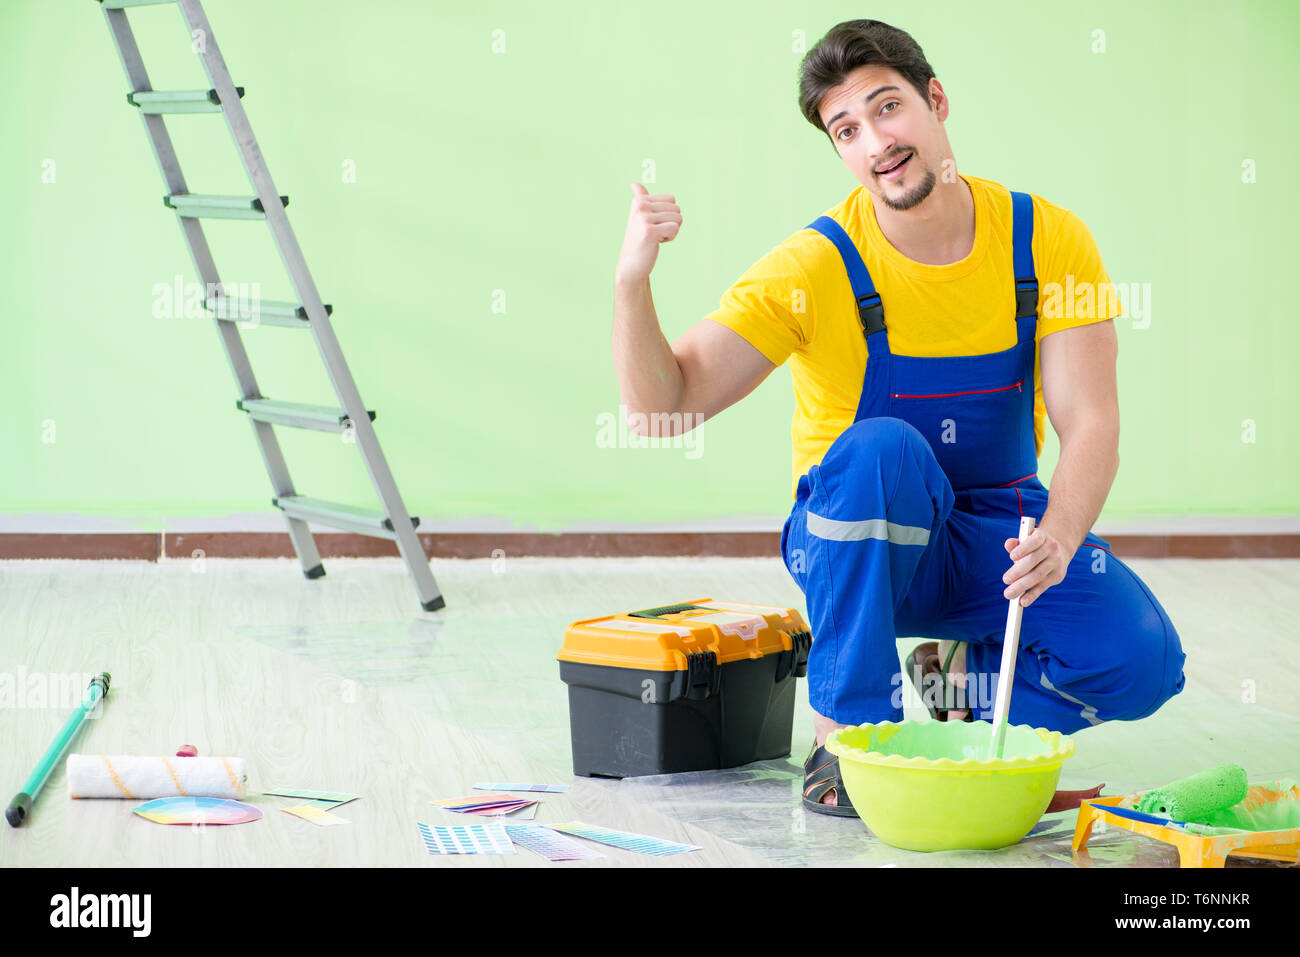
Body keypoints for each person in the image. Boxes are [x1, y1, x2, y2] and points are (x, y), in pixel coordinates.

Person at [611, 19, 1185, 817]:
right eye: (847, 129)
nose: (875, 140)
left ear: (936, 101)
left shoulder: (1049, 239)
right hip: (861, 548)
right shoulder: (815, 265)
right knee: (882, 451)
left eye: (888, 108)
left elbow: (1092, 421)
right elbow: (661, 408)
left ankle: (972, 712)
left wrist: (1058, 536)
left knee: (1143, 656)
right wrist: (633, 281)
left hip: (1002, 538)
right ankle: (849, 743)